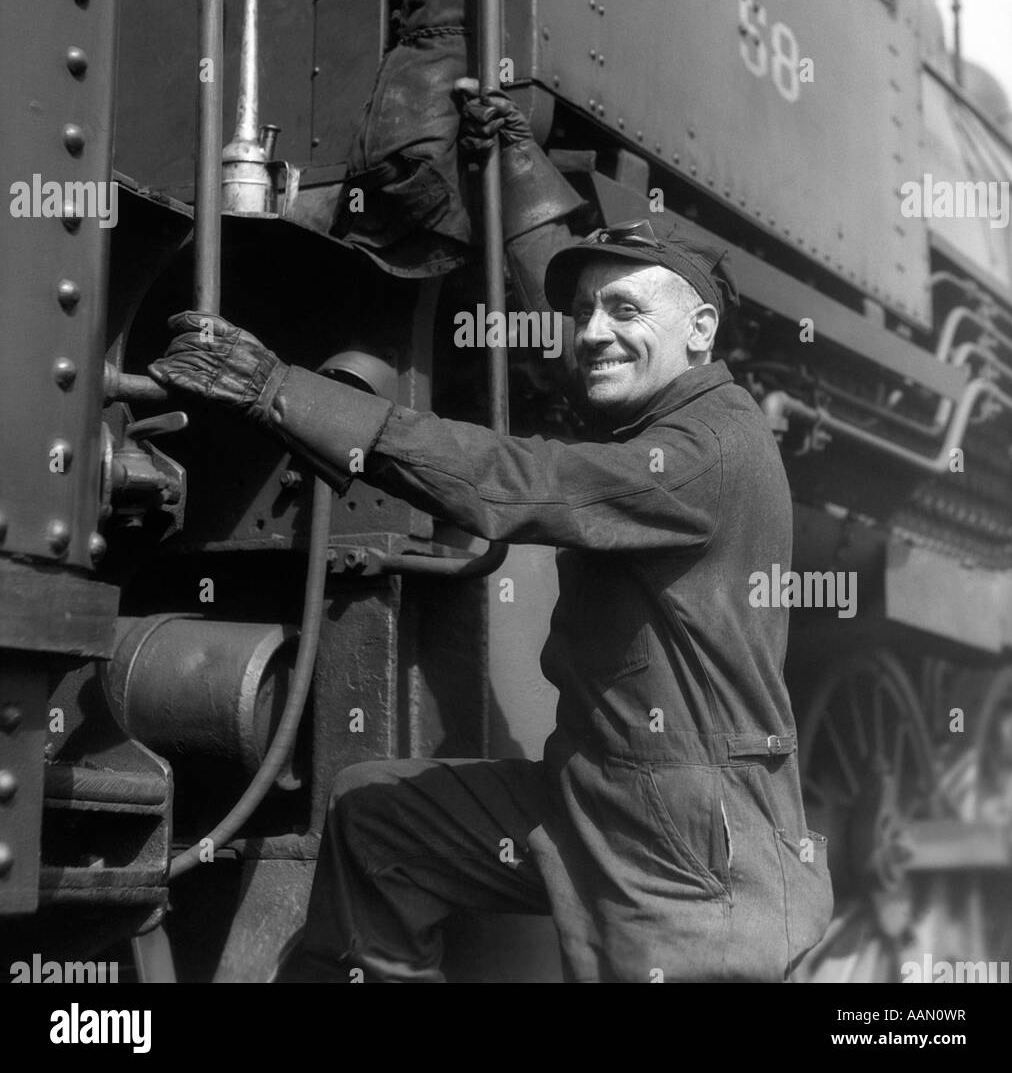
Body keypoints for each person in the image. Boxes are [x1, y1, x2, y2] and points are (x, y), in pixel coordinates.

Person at [149, 101, 833, 984]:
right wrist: (515, 168)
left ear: (701, 330)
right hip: (588, 792)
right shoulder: (666, 405)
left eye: (624, 309)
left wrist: (280, 391)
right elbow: (583, 293)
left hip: (689, 840)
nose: (592, 333)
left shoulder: (701, 452)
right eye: (582, 312)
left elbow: (517, 483)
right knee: (375, 817)